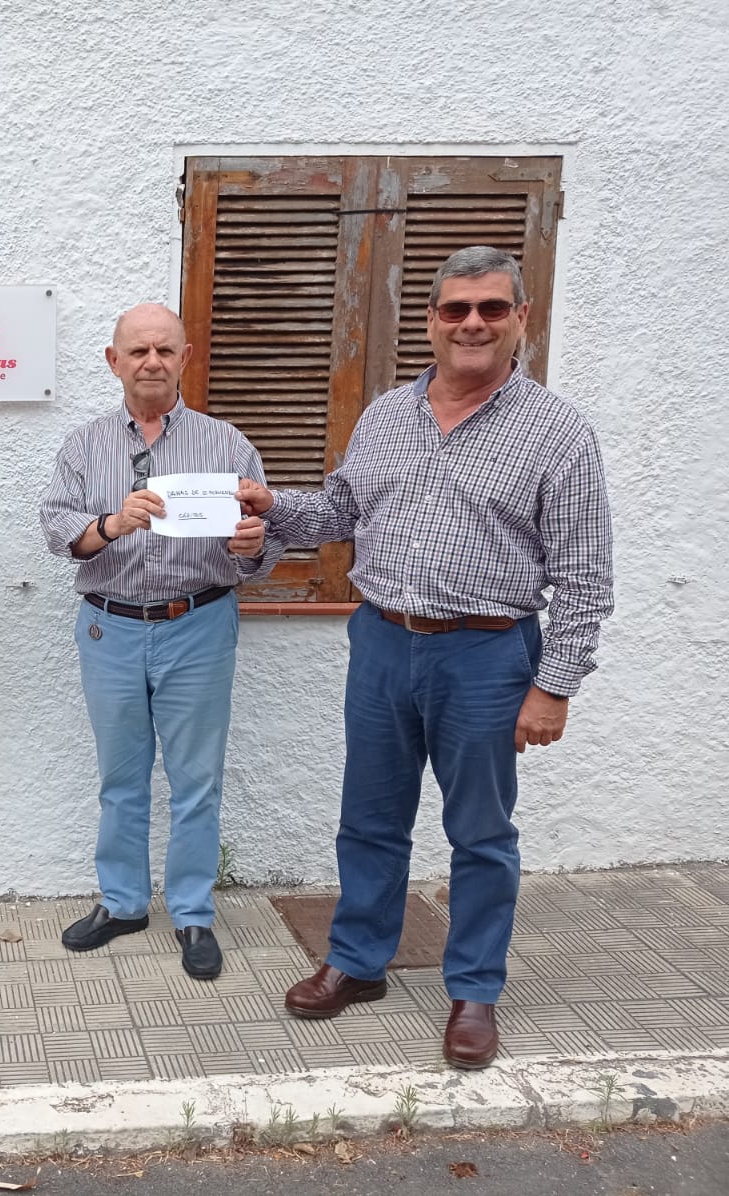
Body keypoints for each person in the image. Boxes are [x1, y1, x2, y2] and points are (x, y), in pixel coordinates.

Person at [239, 246, 614, 1069]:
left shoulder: (558, 433)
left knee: (480, 831)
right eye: (455, 309)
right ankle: (358, 961)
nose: (472, 323)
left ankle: (475, 988)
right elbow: (339, 507)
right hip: (380, 640)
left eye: (490, 308)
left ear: (522, 319)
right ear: (433, 320)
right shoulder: (385, 415)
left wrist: (553, 688)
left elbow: (586, 579)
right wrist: (273, 512)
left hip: (486, 654)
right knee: (369, 817)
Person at [38, 303, 281, 980]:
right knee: (120, 779)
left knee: (196, 780)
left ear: (185, 357)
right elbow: (59, 530)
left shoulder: (227, 444)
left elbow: (259, 547)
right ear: (113, 361)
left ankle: (194, 913)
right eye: (137, 350)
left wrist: (254, 541)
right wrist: (112, 523)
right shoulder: (84, 446)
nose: (151, 361)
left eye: (164, 350)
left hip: (199, 623)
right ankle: (122, 903)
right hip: (109, 624)